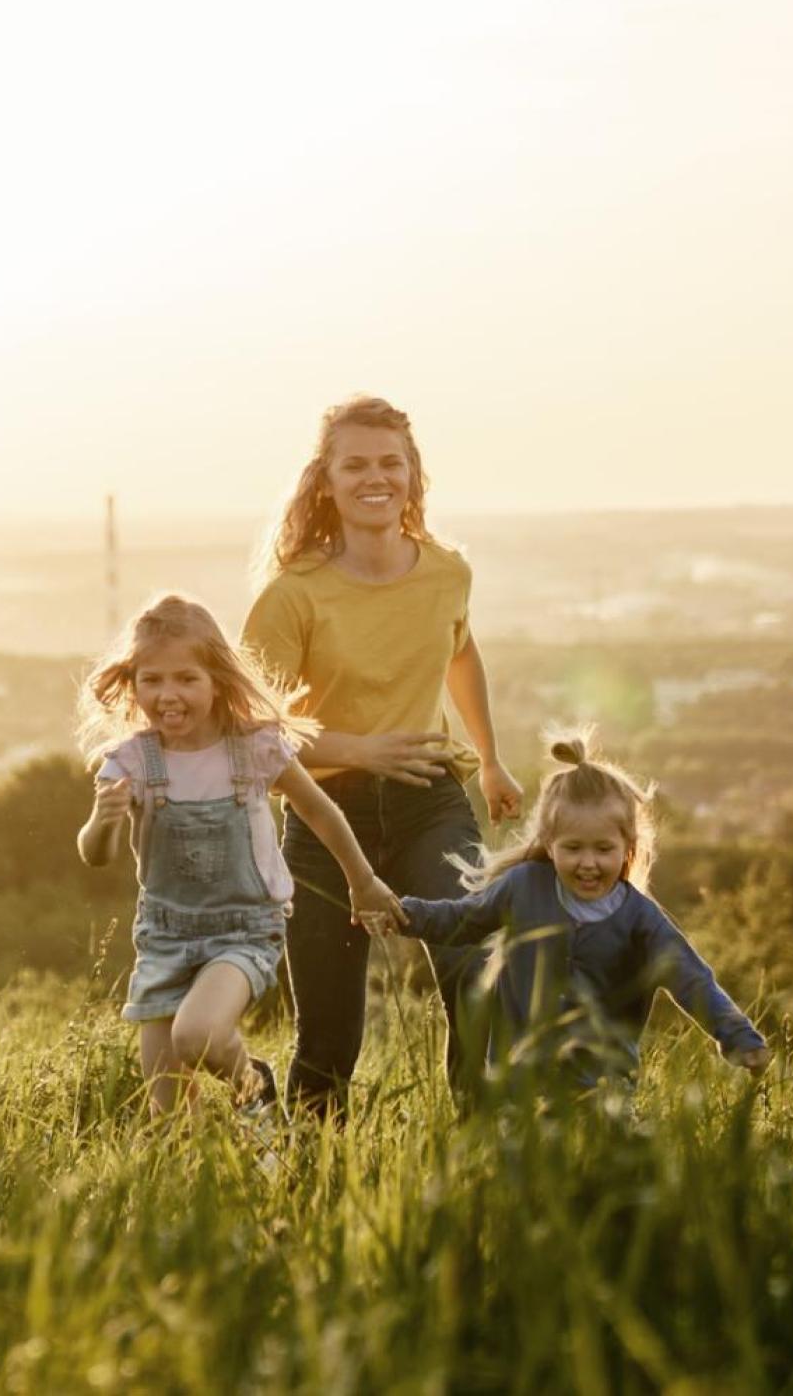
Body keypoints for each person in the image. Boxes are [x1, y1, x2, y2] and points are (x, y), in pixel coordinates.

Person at [241, 395, 523, 1114]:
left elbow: (461, 652)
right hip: (326, 818)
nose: (377, 477)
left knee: (476, 966)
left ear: (412, 474)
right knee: (330, 1035)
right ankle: (311, 1179)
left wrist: (488, 759)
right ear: (325, 481)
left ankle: (481, 1147)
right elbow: (253, 733)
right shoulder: (292, 594)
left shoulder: (447, 572)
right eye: (356, 464)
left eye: (390, 462)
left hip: (430, 802)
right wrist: (362, 747)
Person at [76, 594, 407, 1118]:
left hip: (243, 930)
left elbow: (320, 812)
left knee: (199, 1035)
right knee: (164, 1110)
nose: (168, 695)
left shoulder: (253, 748)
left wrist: (362, 881)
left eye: (187, 678)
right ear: (133, 683)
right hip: (165, 934)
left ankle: (254, 1087)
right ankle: (213, 1178)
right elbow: (97, 854)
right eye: (152, 680)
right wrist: (103, 819)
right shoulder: (132, 760)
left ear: (218, 680)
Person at [365, 738, 770, 1090]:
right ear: (549, 842)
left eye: (603, 849)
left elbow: (692, 980)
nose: (588, 862)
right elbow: (460, 919)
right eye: (573, 848)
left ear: (628, 847)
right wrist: (404, 914)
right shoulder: (523, 887)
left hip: (603, 1089)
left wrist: (739, 1038)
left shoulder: (640, 920)